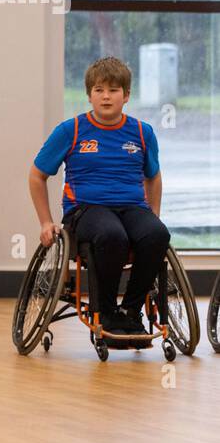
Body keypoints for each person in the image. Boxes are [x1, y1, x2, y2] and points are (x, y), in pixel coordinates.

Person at [29, 57, 168, 335]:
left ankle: (131, 309)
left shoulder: (142, 132)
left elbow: (153, 177)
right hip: (85, 210)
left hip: (131, 207)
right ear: (89, 95)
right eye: (99, 89)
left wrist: (153, 215)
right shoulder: (71, 130)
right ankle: (105, 310)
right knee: (112, 235)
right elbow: (36, 176)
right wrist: (45, 222)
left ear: (126, 96)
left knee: (157, 234)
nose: (106, 96)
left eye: (114, 90)